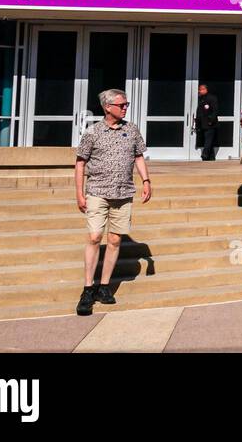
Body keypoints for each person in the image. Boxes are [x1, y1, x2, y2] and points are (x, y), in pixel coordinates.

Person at [74, 89, 151, 316]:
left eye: (126, 104)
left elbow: (138, 156)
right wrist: (79, 194)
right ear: (108, 107)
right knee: (95, 236)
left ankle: (104, 287)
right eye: (122, 104)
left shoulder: (132, 129)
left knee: (115, 240)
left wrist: (146, 180)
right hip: (97, 192)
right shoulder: (93, 132)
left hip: (124, 193)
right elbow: (80, 164)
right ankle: (88, 289)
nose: (126, 107)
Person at [194, 83, 219, 161]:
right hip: (202, 124)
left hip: (210, 124)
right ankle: (211, 157)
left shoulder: (212, 98)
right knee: (208, 140)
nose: (199, 91)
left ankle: (204, 154)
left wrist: (211, 121)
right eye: (199, 90)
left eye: (201, 89)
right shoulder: (201, 99)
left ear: (205, 89)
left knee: (208, 139)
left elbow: (215, 111)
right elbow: (200, 112)